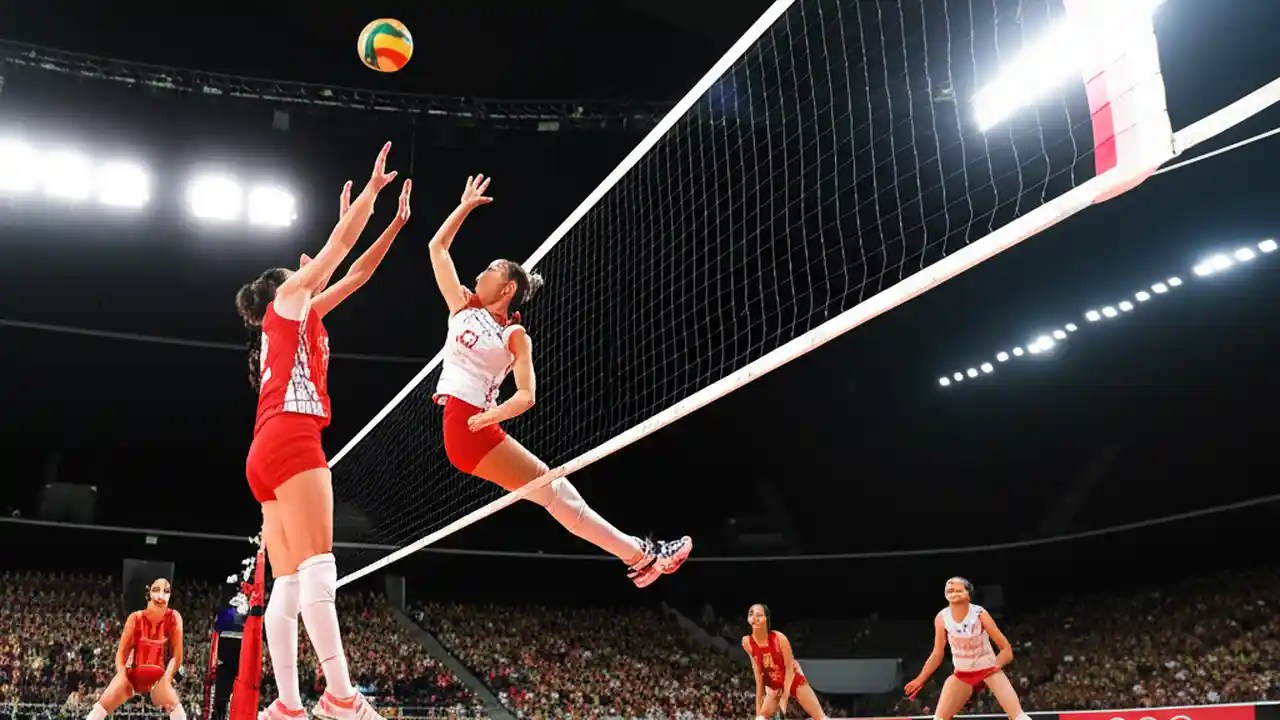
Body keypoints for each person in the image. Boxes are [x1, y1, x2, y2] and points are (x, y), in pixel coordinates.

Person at [426, 174, 691, 587]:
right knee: (556, 492)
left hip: (475, 426)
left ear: (508, 287)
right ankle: (641, 556)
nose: (482, 270)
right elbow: (437, 248)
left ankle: (640, 557)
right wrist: (463, 207)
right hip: (465, 427)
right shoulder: (461, 306)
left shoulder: (514, 335)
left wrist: (488, 415)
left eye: (493, 268)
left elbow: (527, 396)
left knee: (556, 492)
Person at [237, 141, 410, 720]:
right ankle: (340, 697)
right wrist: (371, 191)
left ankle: (287, 705)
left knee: (286, 580)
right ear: (285, 282)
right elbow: (337, 251)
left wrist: (392, 224)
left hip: (264, 451)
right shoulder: (287, 301)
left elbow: (356, 270)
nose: (306, 266)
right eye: (300, 266)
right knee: (318, 566)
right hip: (291, 438)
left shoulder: (304, 312)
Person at [903, 577, 1031, 720]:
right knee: (939, 719)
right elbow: (937, 653)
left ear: (968, 594)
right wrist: (920, 679)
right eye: (950, 591)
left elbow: (1006, 650)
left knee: (1019, 717)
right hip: (962, 675)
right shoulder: (942, 618)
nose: (953, 594)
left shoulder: (979, 614)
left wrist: (994, 667)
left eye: (958, 590)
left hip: (988, 671)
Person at [84, 578, 185, 720]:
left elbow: (177, 655)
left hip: (159, 675)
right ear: (148, 594)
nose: (161, 595)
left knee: (177, 708)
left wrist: (166, 680)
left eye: (166, 591)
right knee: (102, 705)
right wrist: (122, 675)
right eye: (156, 590)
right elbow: (121, 654)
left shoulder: (174, 617)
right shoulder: (135, 618)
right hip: (132, 673)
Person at [742, 603, 828, 719]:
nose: (755, 618)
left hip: (792, 677)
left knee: (820, 717)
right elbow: (758, 676)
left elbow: (789, 668)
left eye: (759, 615)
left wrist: (784, 697)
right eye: (751, 614)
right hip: (773, 683)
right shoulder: (747, 642)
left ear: (766, 619)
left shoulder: (779, 638)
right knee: (761, 717)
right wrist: (758, 713)